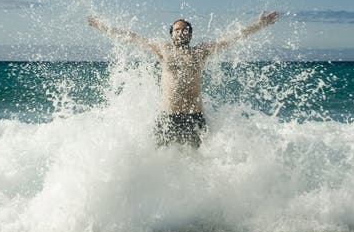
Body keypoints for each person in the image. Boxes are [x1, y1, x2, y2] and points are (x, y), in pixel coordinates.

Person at [86, 11, 279, 147]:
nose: (181, 32)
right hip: (168, 117)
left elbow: (231, 39)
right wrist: (102, 27)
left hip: (195, 117)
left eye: (185, 29)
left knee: (199, 162)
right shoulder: (163, 49)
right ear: (171, 34)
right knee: (160, 160)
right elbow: (131, 37)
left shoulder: (201, 52)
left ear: (191, 34)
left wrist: (259, 25)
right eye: (177, 29)